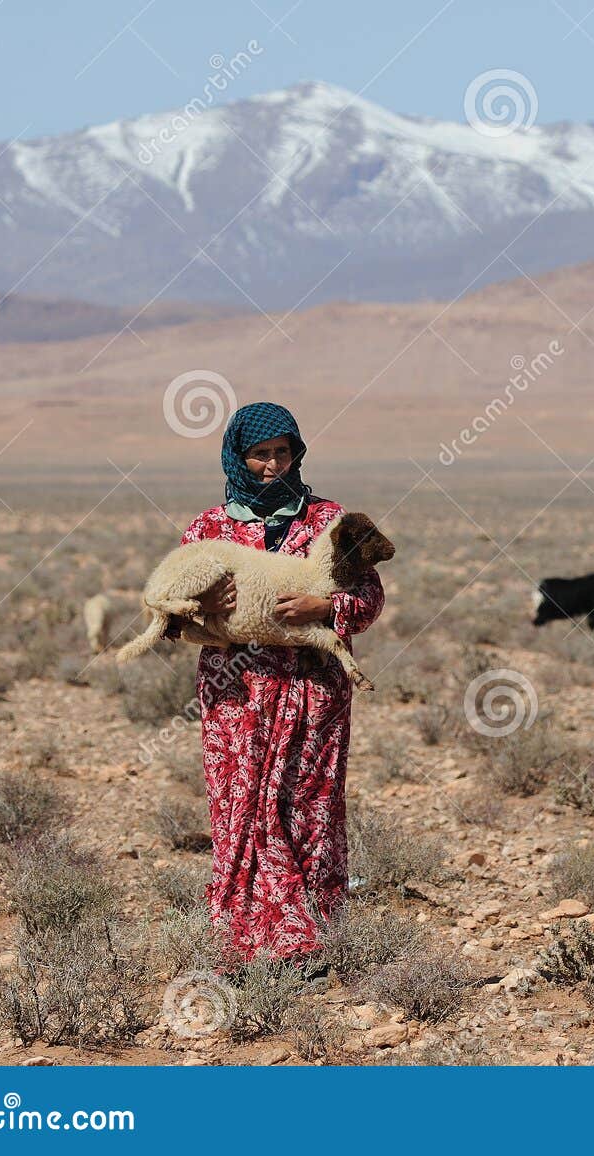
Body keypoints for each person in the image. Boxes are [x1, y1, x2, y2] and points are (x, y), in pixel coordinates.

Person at [171, 402, 384, 976]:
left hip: (313, 692)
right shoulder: (209, 529)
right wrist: (201, 603)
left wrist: (326, 607)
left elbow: (369, 597)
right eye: (260, 454)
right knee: (239, 806)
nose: (272, 465)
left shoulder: (329, 522)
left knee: (310, 804)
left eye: (282, 453)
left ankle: (311, 938)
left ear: (297, 454)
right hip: (235, 694)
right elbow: (170, 610)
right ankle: (241, 940)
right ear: (237, 458)